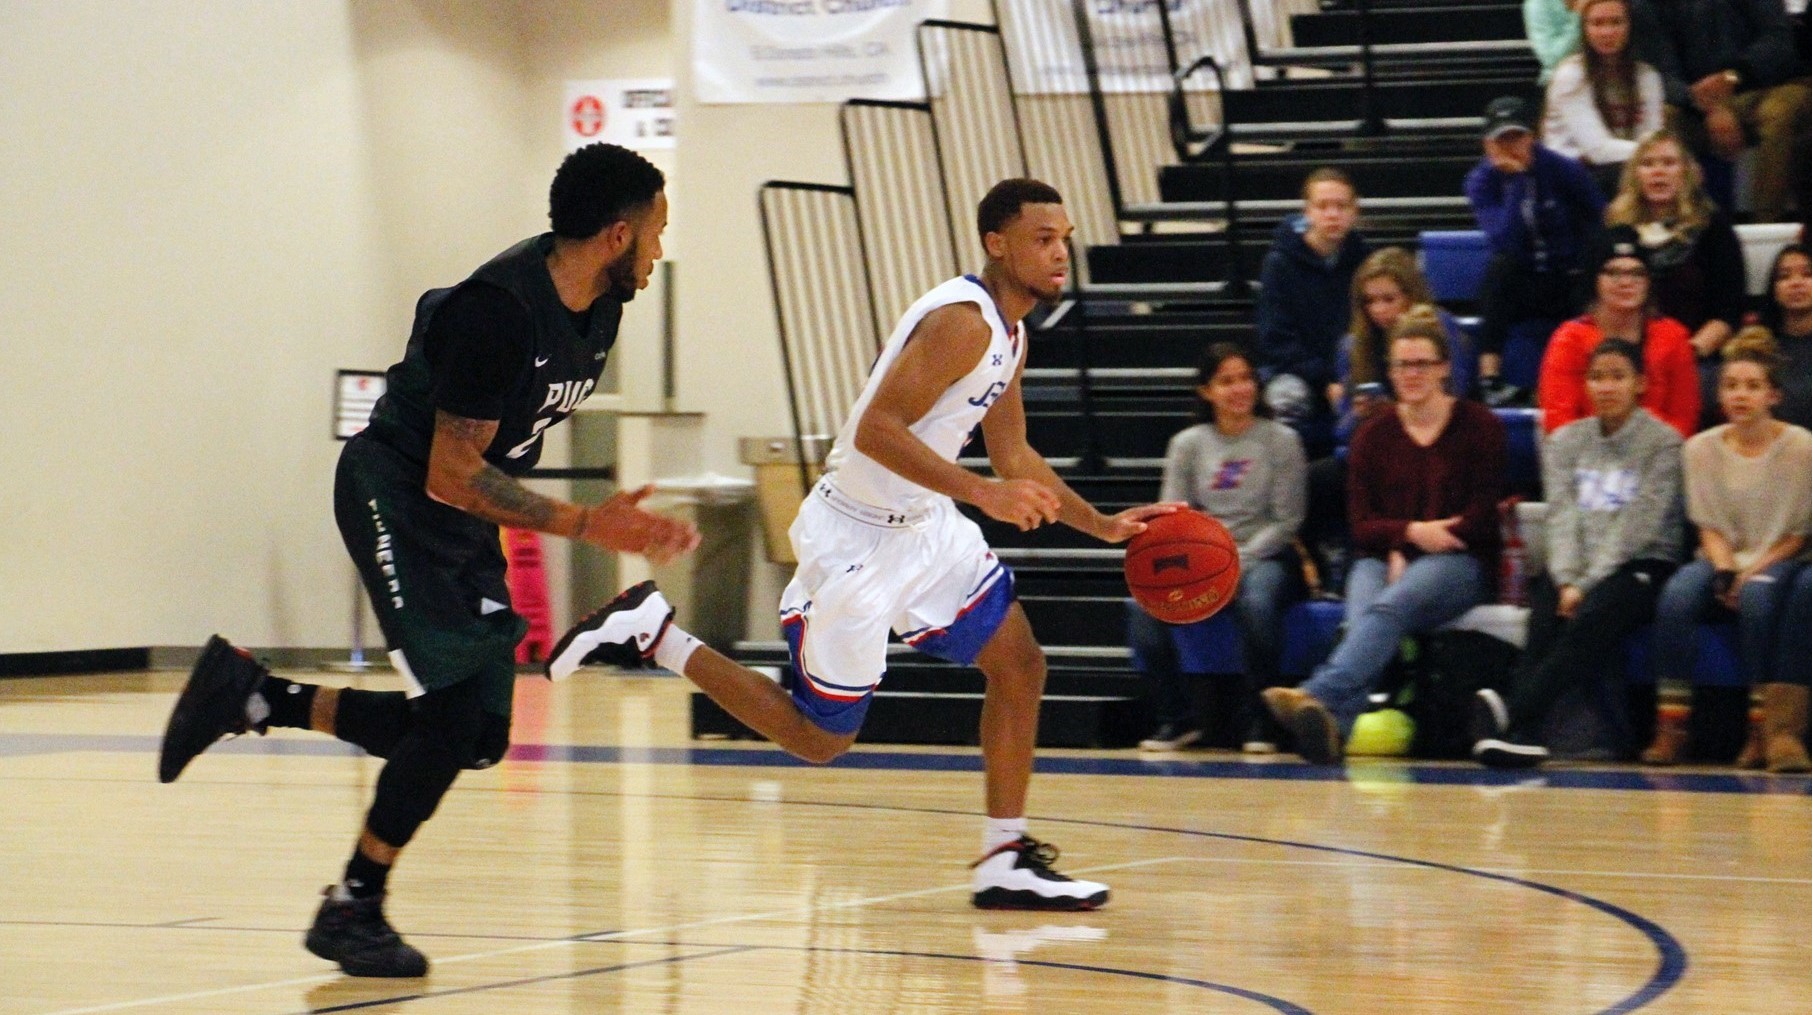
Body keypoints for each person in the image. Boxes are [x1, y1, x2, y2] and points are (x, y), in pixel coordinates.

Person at [546, 178, 1177, 910]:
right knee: (820, 739)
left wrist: (1102, 526)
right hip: (859, 536)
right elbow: (877, 429)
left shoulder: (1011, 332)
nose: (1060, 251)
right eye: (1043, 238)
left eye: (1064, 236)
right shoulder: (963, 321)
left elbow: (1015, 458)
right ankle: (654, 632)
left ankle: (1005, 855)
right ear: (997, 244)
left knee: (1019, 661)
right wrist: (981, 495)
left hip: (924, 527)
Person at [154, 143, 700, 977]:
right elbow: (451, 471)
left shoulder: (600, 309)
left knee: (477, 735)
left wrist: (590, 520)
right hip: (398, 493)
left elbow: (482, 467)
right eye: (658, 232)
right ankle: (353, 905)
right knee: (446, 720)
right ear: (618, 235)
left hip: (455, 510)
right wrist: (590, 524)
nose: (661, 251)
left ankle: (258, 693)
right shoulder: (498, 313)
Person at [1261, 309, 1507, 764]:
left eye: (1421, 364)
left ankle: (1316, 692)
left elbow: (1478, 520)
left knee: (1390, 605)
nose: (1411, 375)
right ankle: (1334, 724)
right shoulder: (1372, 435)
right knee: (1365, 613)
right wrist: (1408, 536)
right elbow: (1362, 525)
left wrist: (1405, 542)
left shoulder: (1480, 426)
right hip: (1384, 555)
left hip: (1461, 561)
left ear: (1444, 367)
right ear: (1388, 372)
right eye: (1401, 365)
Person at [1471, 339, 1684, 768]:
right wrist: (1568, 580)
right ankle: (1523, 737)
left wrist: (1585, 586)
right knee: (1544, 609)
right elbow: (1562, 518)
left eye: (1618, 377)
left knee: (1594, 614)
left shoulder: (1663, 443)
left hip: (1643, 563)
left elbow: (1636, 529)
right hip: (1576, 565)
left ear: (1640, 383)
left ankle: (1512, 713)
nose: (1606, 387)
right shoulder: (1565, 441)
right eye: (1597, 377)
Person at [1643, 327, 1812, 769]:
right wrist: (1723, 571)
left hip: (1780, 555)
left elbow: (1798, 534)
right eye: (1732, 385)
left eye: (1753, 386)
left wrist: (1753, 571)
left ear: (1774, 395)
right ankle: (1672, 726)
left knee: (1758, 599)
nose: (1741, 395)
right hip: (1722, 555)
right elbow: (1708, 526)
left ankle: (1760, 728)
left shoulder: (1801, 448)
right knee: (1676, 598)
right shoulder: (1700, 448)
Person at [1131, 343, 1308, 754]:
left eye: (1246, 378)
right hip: (1202, 556)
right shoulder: (1187, 444)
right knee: (1144, 608)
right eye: (1227, 381)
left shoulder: (1282, 440)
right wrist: (1205, 560)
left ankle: (1261, 721)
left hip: (1266, 552)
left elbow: (1287, 520)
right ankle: (1176, 720)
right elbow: (1174, 515)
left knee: (1258, 604)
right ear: (1206, 391)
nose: (1239, 388)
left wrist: (1237, 559)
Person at [1467, 96, 1608, 397]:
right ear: (1488, 145)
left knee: (1596, 271)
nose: (1510, 146)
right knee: (1499, 269)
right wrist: (1517, 183)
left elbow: (1600, 216)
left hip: (1567, 276)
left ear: (1532, 136)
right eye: (1501, 139)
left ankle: (1593, 373)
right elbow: (1504, 238)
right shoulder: (1481, 181)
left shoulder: (1562, 169)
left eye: (1517, 137)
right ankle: (1490, 378)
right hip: (1523, 281)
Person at [1603, 129, 1745, 425]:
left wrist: (1684, 354)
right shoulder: (1615, 229)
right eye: (1648, 163)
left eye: (1668, 163)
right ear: (1635, 174)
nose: (1658, 172)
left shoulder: (1712, 227)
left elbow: (1728, 311)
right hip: (1622, 353)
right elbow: (1592, 299)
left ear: (1686, 172)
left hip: (1693, 354)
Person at [1643, 0, 1812, 222]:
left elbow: (1778, 43)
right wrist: (1702, 103)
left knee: (1779, 112)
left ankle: (1766, 225)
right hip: (1696, 98)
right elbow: (1660, 69)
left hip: (1766, 87)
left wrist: (1734, 77)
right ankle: (1685, 224)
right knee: (1667, 119)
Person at [1537, 226, 1702, 437]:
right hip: (1586, 459)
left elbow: (1684, 419)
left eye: (1636, 273)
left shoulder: (1673, 337)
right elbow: (1559, 421)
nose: (1626, 282)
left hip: (1656, 457)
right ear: (1594, 280)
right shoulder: (1569, 339)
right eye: (1613, 273)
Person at [1254, 168, 1372, 457]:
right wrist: (1325, 380)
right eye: (1323, 206)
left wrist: (1345, 377)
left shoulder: (1366, 261)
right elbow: (1275, 341)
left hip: (1350, 371)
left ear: (1355, 211)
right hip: (1296, 373)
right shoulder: (1279, 264)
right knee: (1284, 399)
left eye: (1341, 206)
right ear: (1307, 212)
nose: (1332, 215)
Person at [1333, 248, 1478, 446]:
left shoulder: (1440, 329)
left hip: (1440, 442)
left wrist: (1394, 411)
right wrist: (1359, 413)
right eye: (1369, 301)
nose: (1378, 309)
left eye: (1389, 299)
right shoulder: (1352, 347)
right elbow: (1341, 433)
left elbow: (1455, 400)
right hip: (1379, 447)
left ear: (1412, 296)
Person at [1542, 0, 1667, 192]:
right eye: (1597, 23)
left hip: (1624, 171)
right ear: (1584, 29)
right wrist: (1659, 156)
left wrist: (1659, 158)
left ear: (1630, 26)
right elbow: (1598, 151)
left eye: (1616, 22)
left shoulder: (1647, 76)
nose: (1607, 32)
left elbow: (1652, 137)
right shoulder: (1570, 76)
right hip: (1569, 180)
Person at [1758, 243, 1812, 428]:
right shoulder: (1759, 348)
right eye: (1784, 276)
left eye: (1807, 274)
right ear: (1774, 289)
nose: (1796, 283)